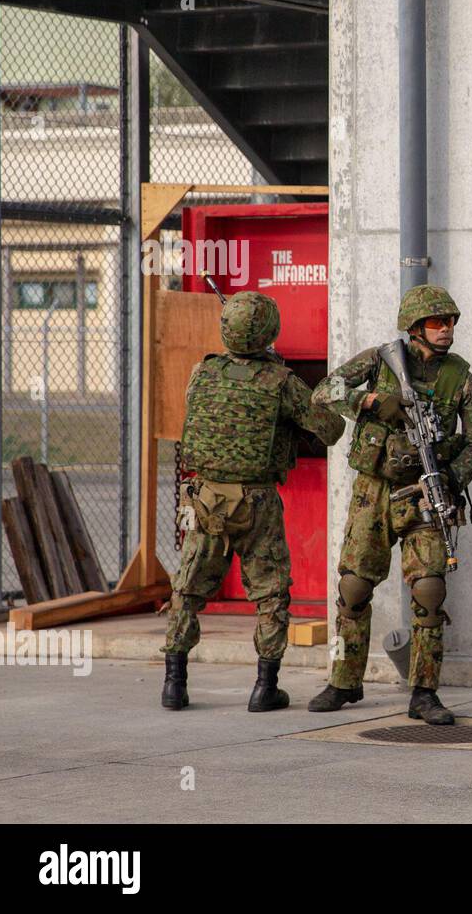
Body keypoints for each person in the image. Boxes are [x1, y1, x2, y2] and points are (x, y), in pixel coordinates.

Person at [307, 285, 472, 725]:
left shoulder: (459, 377)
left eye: (450, 322)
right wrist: (367, 400)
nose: (446, 330)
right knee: (353, 588)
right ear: (413, 328)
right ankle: (345, 681)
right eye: (436, 323)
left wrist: (450, 476)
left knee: (429, 591)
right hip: (374, 490)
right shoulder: (379, 360)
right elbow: (323, 390)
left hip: (424, 493)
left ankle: (424, 692)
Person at [163, 291, 345, 712]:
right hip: (256, 500)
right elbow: (331, 428)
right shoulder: (281, 383)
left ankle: (174, 683)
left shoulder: (202, 372)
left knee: (188, 589)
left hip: (205, 497)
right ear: (270, 331)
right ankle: (265, 688)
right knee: (270, 591)